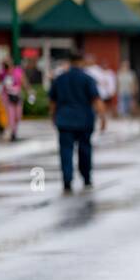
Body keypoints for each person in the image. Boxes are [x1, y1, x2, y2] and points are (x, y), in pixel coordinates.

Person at [49, 58, 106, 193]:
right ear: (81, 62)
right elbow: (96, 100)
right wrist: (103, 118)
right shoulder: (87, 79)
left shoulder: (60, 79)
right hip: (84, 120)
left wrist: (52, 117)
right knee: (85, 149)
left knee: (65, 151)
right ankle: (86, 178)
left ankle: (67, 180)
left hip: (64, 120)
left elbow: (52, 101)